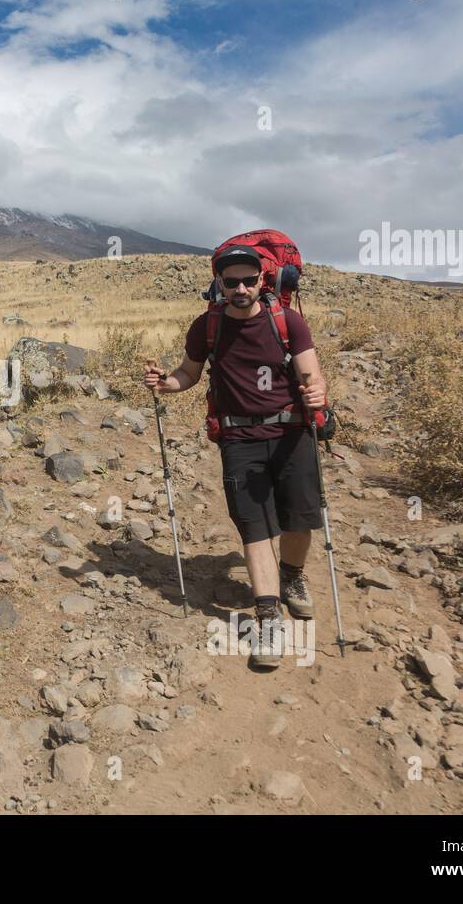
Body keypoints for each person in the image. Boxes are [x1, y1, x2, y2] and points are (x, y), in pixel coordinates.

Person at [143, 242, 327, 670]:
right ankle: (268, 618)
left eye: (249, 279)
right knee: (254, 526)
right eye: (231, 282)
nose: (241, 288)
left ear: (263, 280)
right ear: (219, 285)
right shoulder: (207, 326)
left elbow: (311, 374)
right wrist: (166, 384)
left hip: (292, 433)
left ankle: (292, 576)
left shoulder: (288, 322)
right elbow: (189, 372)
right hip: (239, 439)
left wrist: (318, 391)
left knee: (300, 521)